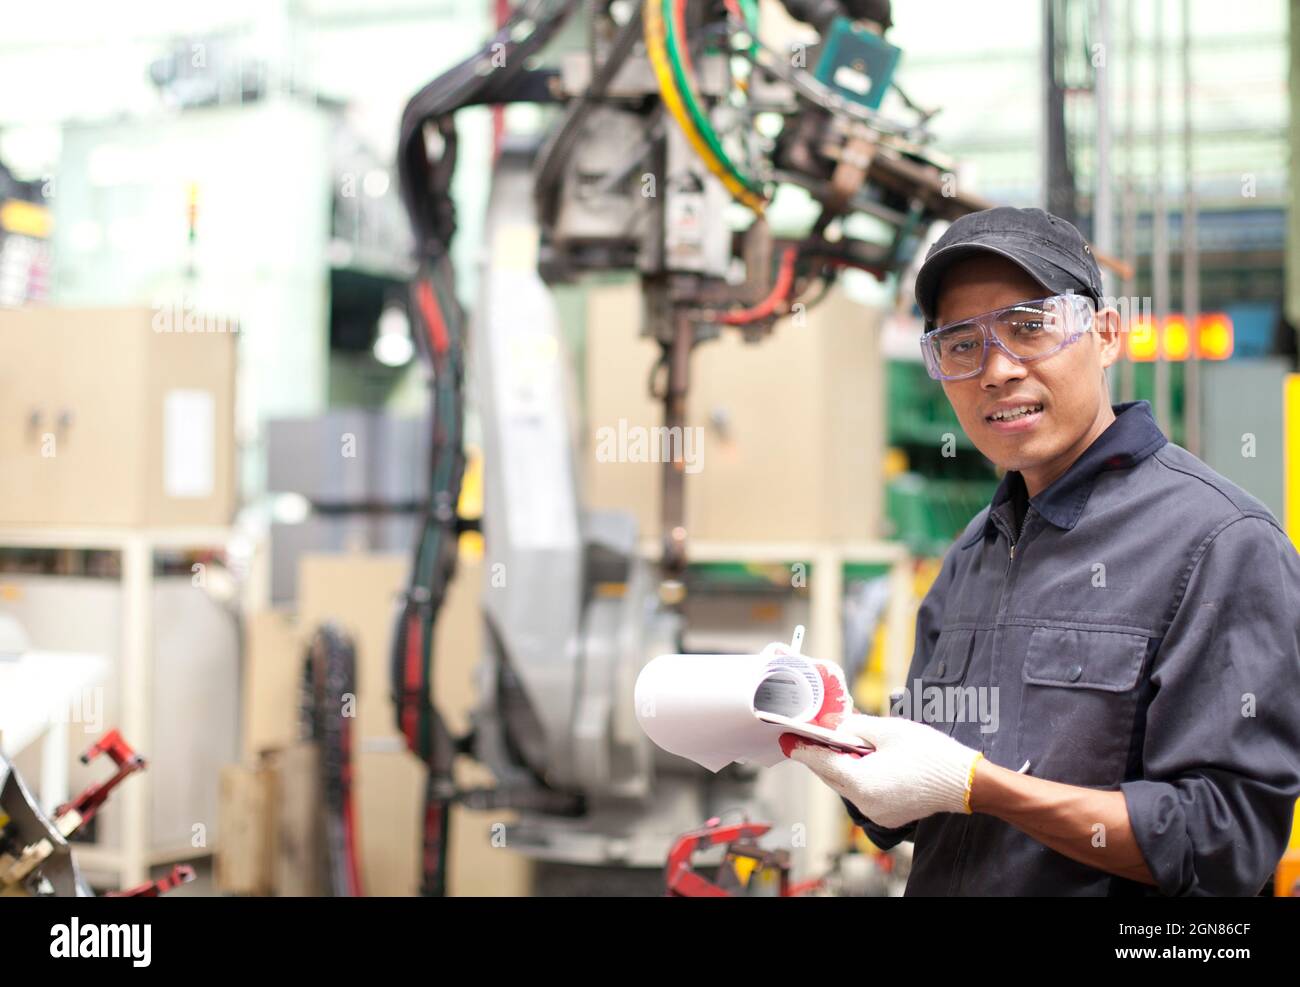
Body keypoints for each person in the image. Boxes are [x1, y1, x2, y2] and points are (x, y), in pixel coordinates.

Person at [785, 206, 1300, 895]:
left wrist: (982, 787)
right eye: (961, 345)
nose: (996, 370)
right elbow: (913, 804)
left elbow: (1222, 843)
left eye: (1029, 327)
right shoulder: (974, 552)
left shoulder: (1220, 543)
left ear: (1108, 334)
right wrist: (833, 739)